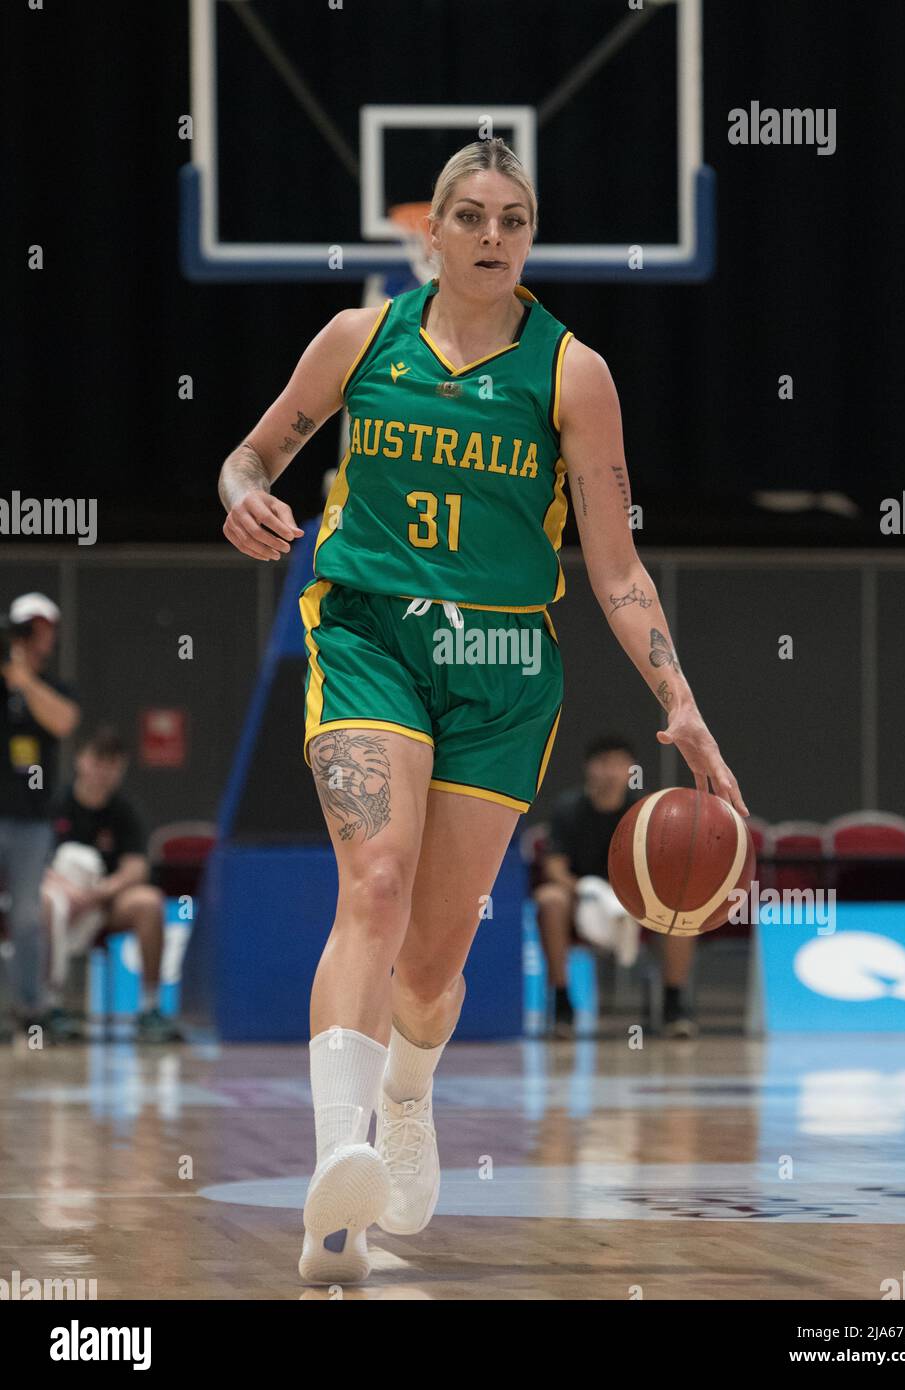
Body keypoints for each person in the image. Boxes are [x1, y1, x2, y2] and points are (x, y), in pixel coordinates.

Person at [218, 137, 747, 1285]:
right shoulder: (360, 340)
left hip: (505, 663)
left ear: (528, 235)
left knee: (432, 959)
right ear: (433, 231)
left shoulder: (572, 373)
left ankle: (405, 1100)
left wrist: (682, 703)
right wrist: (242, 492)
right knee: (374, 879)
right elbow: (254, 453)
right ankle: (334, 1189)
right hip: (368, 632)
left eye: (513, 218)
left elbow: (613, 567)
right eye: (471, 215)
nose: (493, 235)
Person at [537, 735, 699, 1039]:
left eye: (619, 763)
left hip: (636, 897)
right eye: (603, 763)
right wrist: (588, 889)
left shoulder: (646, 809)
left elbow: (663, 866)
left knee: (681, 903)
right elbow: (554, 869)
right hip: (583, 897)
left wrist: (632, 894)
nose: (611, 771)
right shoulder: (568, 808)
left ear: (631, 769)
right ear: (589, 768)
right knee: (549, 899)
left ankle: (674, 1006)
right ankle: (562, 1005)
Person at [40, 726, 181, 1044]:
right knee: (46, 903)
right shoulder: (55, 805)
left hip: (105, 901)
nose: (102, 771)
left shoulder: (125, 810)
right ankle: (49, 1006)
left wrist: (95, 894)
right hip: (59, 897)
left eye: (112, 764)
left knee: (147, 901)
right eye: (97, 761)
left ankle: (150, 1008)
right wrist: (69, 891)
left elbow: (136, 868)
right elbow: (35, 864)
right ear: (80, 760)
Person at [0, 593, 80, 1036]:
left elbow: (64, 722)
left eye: (45, 628)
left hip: (31, 821)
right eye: (29, 628)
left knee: (27, 915)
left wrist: (24, 679)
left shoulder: (53, 688)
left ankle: (30, 1008)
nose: (38, 637)